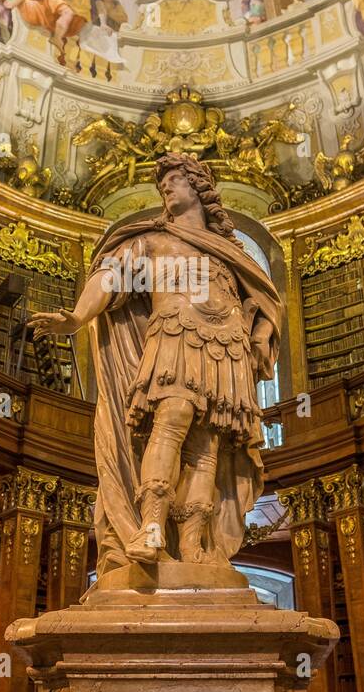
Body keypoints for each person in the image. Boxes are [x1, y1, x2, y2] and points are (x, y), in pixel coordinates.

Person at [29, 153, 282, 571]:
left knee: (208, 447)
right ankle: (150, 527)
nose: (166, 187)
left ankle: (194, 543)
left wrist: (257, 337)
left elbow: (266, 301)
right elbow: (109, 277)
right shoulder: (151, 240)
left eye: (175, 179)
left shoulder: (228, 252)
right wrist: (76, 317)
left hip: (227, 347)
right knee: (172, 418)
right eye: (162, 183)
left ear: (198, 186)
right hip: (176, 333)